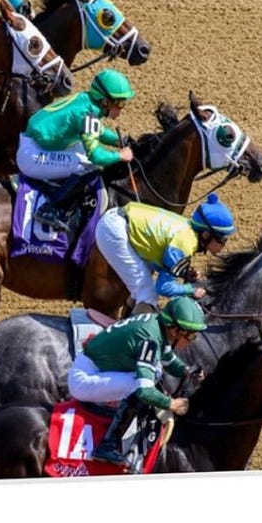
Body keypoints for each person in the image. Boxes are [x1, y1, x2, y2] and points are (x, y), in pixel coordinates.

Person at [67, 296, 208, 467]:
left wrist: (187, 371)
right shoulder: (150, 339)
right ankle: (108, 446)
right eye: (191, 335)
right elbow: (144, 391)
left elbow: (168, 359)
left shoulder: (158, 324)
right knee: (139, 384)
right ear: (175, 331)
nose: (192, 340)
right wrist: (170, 403)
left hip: (94, 367)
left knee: (153, 372)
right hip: (83, 379)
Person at [17, 68, 136, 229]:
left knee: (80, 149)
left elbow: (99, 132)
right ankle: (50, 209)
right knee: (88, 166)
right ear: (105, 101)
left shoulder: (87, 101)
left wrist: (121, 140)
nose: (122, 108)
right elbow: (97, 156)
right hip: (32, 155)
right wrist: (120, 155)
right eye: (120, 103)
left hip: (36, 144)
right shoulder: (87, 113)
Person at [95, 192, 237, 313]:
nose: (224, 245)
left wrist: (183, 272)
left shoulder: (187, 230)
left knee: (143, 283)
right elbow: (163, 288)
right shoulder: (184, 244)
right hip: (114, 230)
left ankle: (126, 319)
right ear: (206, 235)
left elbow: (159, 259)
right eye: (222, 239)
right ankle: (131, 335)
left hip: (118, 222)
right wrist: (191, 289)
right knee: (147, 293)